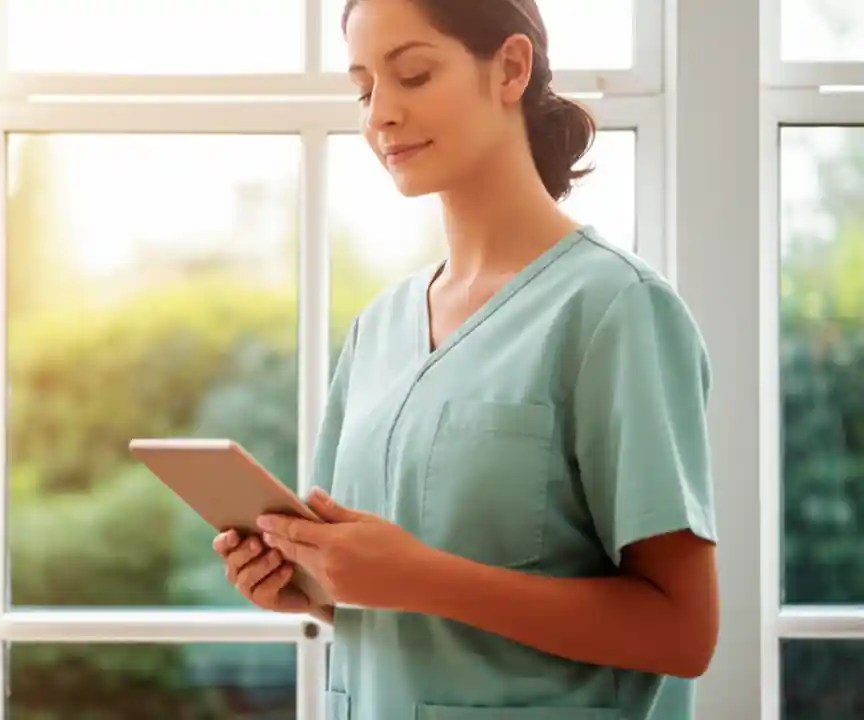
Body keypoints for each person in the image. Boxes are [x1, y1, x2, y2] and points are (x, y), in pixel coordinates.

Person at [211, 0, 720, 717]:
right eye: (363, 89)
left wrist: (421, 578)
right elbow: (408, 609)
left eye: (413, 74)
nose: (380, 114)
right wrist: (311, 585)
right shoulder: (378, 327)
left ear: (511, 68)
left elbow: (683, 633)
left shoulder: (616, 308)